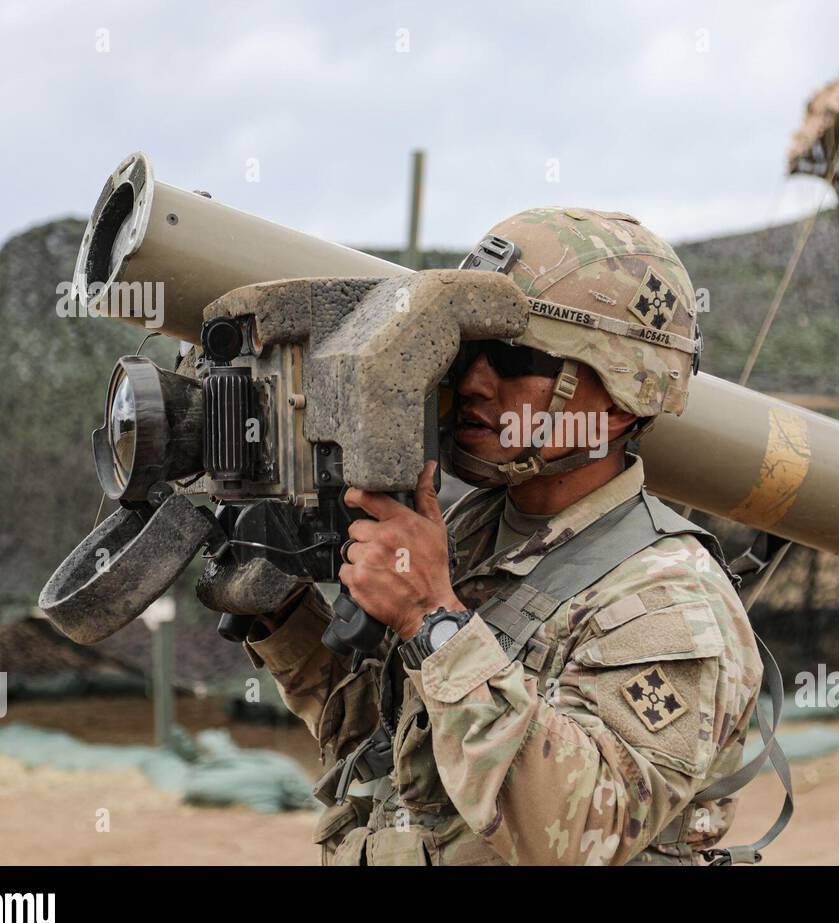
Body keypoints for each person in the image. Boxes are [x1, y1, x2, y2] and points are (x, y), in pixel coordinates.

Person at [241, 207, 774, 865]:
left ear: (620, 399)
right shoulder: (469, 529)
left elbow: (579, 829)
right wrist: (274, 610)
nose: (473, 382)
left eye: (514, 357)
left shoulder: (669, 598)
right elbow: (384, 743)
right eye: (466, 351)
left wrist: (432, 619)